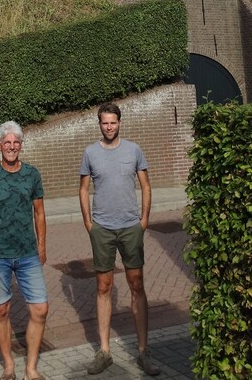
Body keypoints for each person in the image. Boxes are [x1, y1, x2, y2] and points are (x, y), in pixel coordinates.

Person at [79, 103, 160, 376]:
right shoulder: (90, 152)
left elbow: (146, 186)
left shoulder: (134, 150)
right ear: (99, 124)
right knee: (103, 286)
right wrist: (89, 223)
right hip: (102, 228)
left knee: (137, 284)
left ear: (120, 123)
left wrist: (144, 220)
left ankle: (143, 351)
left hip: (130, 227)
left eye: (113, 122)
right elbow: (83, 189)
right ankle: (104, 351)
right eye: (104, 123)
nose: (109, 127)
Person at [0, 121, 49, 380]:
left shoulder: (32, 175)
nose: (11, 147)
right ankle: (9, 366)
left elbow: (39, 213)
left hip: (28, 253)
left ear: (21, 145)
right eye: (7, 142)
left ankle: (31, 367)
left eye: (16, 142)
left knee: (40, 309)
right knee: (1, 309)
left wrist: (41, 245)